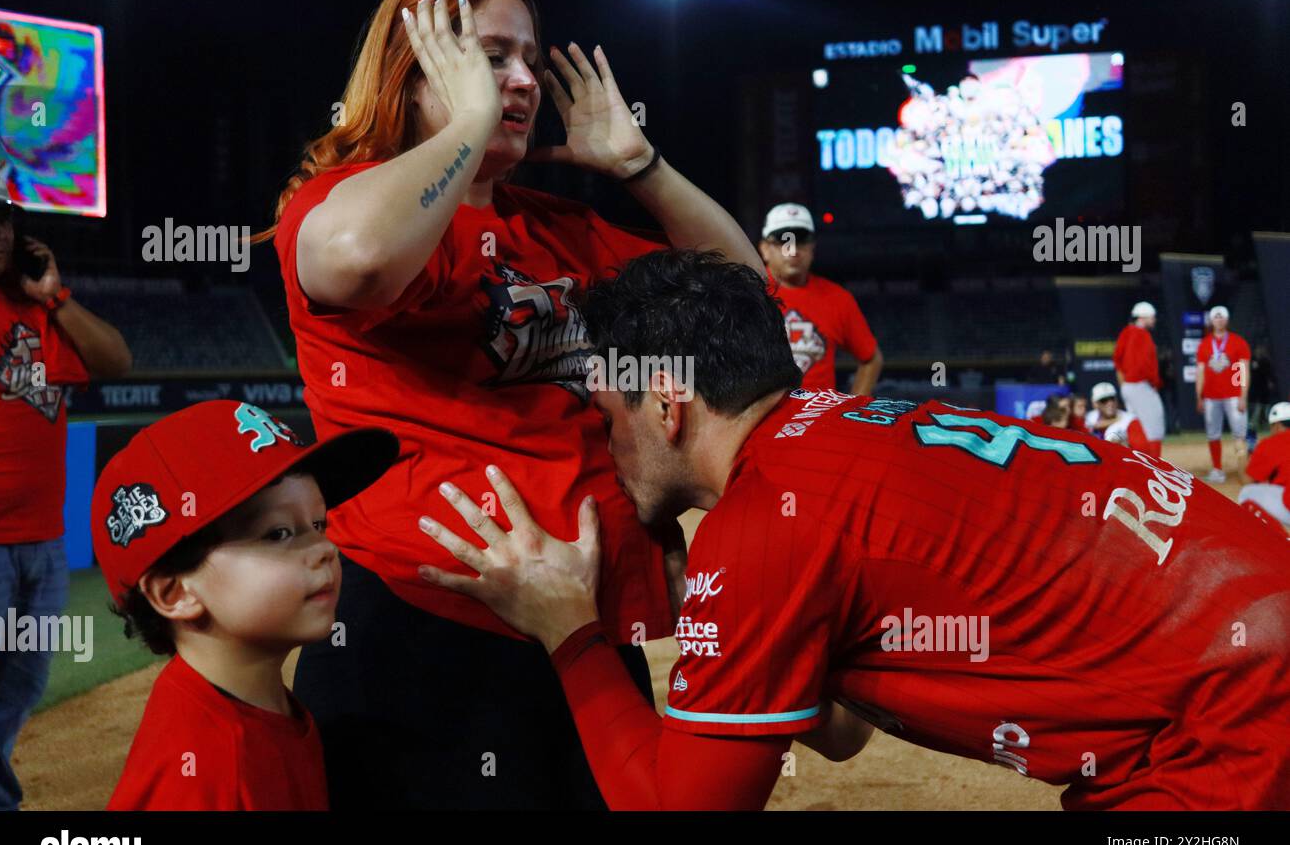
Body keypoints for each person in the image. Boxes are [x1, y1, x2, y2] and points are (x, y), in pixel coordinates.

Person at [420, 251, 1289, 810]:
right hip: (1245, 647)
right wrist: (736, 643)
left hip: (1234, 737)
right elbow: (841, 731)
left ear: (667, 402)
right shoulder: (845, 424)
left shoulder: (767, 521)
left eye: (607, 413)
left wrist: (566, 629)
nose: (603, 438)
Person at [255, 0, 764, 808]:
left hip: (582, 631)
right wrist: (470, 124)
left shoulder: (556, 228)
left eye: (528, 58)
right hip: (425, 632)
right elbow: (357, 261)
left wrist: (641, 167)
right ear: (410, 68)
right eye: (491, 57)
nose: (524, 80)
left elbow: (745, 297)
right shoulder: (339, 203)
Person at [96, 400, 398, 810]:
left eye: (319, 524)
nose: (325, 548)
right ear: (175, 594)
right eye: (277, 533)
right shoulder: (207, 772)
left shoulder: (254, 704)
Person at [0, 173, 132, 810]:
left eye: (0, 219)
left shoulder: (38, 310)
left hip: (43, 544)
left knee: (21, 686)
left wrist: (56, 297)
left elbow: (116, 363)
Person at [757, 203, 881, 394]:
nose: (793, 250)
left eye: (802, 240)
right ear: (765, 248)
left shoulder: (837, 299)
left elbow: (871, 359)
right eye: (784, 241)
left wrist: (853, 409)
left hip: (817, 420)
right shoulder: (748, 293)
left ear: (812, 246)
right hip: (763, 421)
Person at [1194, 306, 1251, 483]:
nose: (1219, 321)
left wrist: (1243, 396)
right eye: (1216, 318)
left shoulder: (1238, 342)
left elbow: (1243, 370)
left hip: (1234, 395)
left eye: (1222, 318)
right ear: (1212, 321)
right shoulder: (1204, 344)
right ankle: (1217, 470)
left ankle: (1244, 471)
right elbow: (1200, 372)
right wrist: (1199, 395)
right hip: (1211, 396)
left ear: (1226, 320)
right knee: (1213, 434)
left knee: (1240, 434)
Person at [1113, 300, 1164, 456]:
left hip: (1128, 386)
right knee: (1154, 429)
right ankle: (1155, 468)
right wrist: (1155, 381)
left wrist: (1123, 384)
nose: (1154, 320)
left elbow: (1117, 359)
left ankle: (1139, 467)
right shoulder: (1143, 334)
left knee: (1136, 427)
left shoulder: (1126, 332)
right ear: (1141, 318)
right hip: (1141, 385)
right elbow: (1145, 364)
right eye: (1151, 317)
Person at [1237, 401, 1290, 532]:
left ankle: (1279, 541)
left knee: (1247, 493)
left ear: (1277, 425)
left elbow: (1246, 480)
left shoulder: (1272, 443)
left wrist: (1241, 453)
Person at [1084, 382, 1150, 453]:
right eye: (1104, 400)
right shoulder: (1089, 417)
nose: (1110, 403)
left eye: (1112, 398)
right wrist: (1114, 420)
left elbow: (1144, 453)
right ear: (1095, 404)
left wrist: (1125, 446)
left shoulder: (1130, 420)